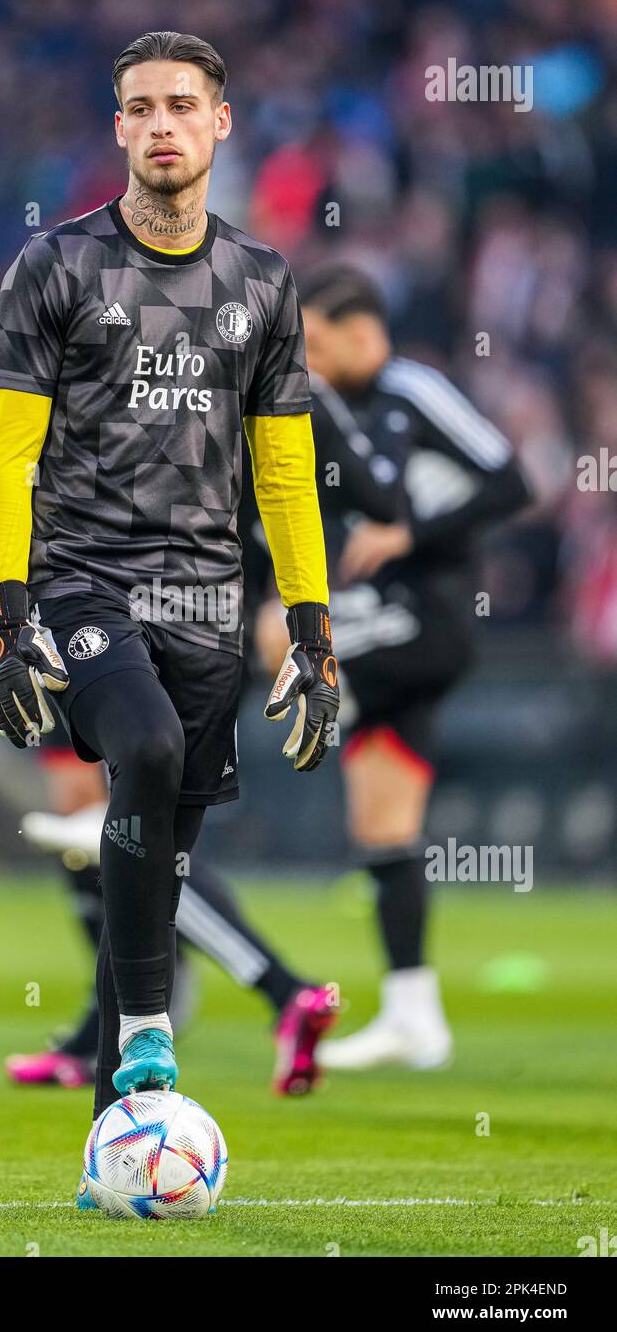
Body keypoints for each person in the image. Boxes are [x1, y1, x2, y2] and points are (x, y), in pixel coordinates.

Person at [0, 31, 340, 1201]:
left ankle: (109, 1153)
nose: (163, 125)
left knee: (161, 860)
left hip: (206, 600)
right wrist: (2, 615)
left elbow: (283, 476)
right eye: (141, 108)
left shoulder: (263, 285)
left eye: (184, 104)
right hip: (83, 579)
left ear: (220, 123)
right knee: (137, 747)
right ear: (118, 128)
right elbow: (5, 455)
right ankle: (146, 1033)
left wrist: (314, 631)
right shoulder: (56, 267)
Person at [257, 265, 531, 1071]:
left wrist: (409, 534)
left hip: (430, 613)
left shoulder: (414, 389)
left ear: (359, 332)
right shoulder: (340, 411)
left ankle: (172, 781)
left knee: (281, 643)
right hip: (387, 620)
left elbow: (513, 479)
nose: (304, 353)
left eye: (314, 336)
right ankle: (415, 1012)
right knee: (382, 825)